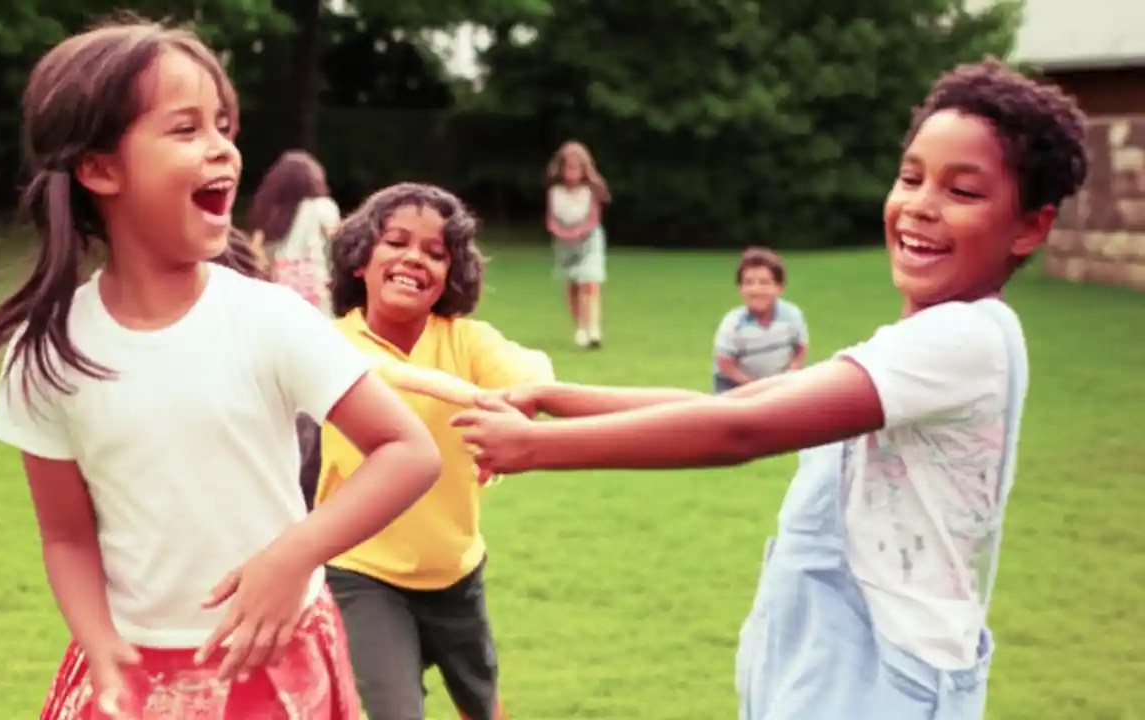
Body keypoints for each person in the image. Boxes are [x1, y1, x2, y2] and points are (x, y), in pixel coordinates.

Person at [450, 60, 1088, 719]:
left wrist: (534, 447)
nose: (922, 204)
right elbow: (739, 404)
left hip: (879, 678)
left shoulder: (963, 339)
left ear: (1030, 227)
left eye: (963, 191)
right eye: (911, 177)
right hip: (828, 657)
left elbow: (740, 432)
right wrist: (557, 398)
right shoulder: (915, 346)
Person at [0, 19, 442, 720]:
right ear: (100, 170)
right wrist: (98, 640)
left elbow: (409, 451)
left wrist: (293, 557)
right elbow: (66, 535)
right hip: (134, 672)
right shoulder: (46, 355)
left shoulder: (270, 318)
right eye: (186, 129)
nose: (222, 149)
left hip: (275, 662)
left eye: (223, 127)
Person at [317, 182, 554, 720]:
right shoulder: (328, 343)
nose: (413, 259)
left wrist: (512, 410)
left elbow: (535, 375)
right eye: (396, 242)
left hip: (456, 569)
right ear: (360, 259)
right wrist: (468, 395)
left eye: (435, 252)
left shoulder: (466, 341)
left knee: (482, 705)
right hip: (360, 571)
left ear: (451, 274)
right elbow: (377, 373)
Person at [246, 149, 342, 509]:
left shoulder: (269, 219)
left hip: (279, 318)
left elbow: (255, 261)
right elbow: (342, 241)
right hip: (319, 312)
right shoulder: (321, 208)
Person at [247, 149, 340, 315]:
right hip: (315, 292)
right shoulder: (322, 207)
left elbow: (255, 257)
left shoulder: (269, 214)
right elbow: (340, 242)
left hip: (280, 296)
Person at [712, 247, 809, 393]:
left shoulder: (792, 315)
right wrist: (757, 388)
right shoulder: (733, 324)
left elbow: (800, 349)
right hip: (738, 387)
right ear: (740, 288)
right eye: (749, 282)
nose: (756, 290)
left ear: (779, 288)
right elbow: (725, 364)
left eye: (764, 283)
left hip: (781, 385)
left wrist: (789, 376)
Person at [546, 140, 610, 349]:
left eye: (576, 168)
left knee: (589, 283)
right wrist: (563, 233)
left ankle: (593, 329)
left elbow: (593, 218)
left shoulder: (589, 191)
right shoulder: (555, 192)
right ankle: (580, 327)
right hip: (564, 244)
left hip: (588, 240)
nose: (571, 172)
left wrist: (578, 232)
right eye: (568, 167)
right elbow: (551, 220)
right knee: (573, 285)